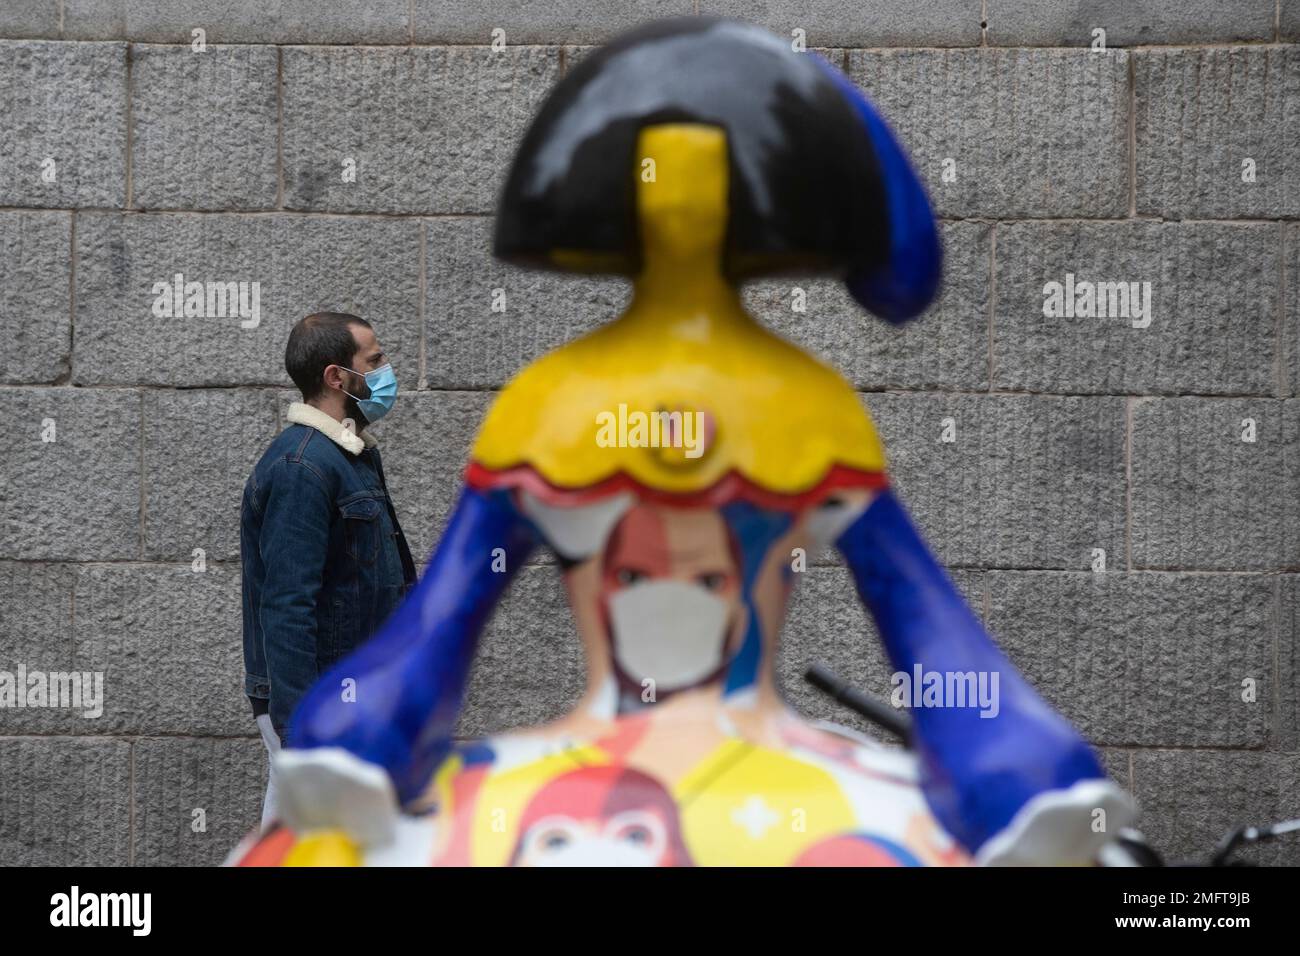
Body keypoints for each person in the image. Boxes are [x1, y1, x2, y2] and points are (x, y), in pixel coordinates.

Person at [239, 311, 416, 828]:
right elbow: (287, 604)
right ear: (337, 377)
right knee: (308, 842)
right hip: (321, 704)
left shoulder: (348, 456)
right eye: (375, 360)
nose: (387, 372)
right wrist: (302, 732)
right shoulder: (303, 467)